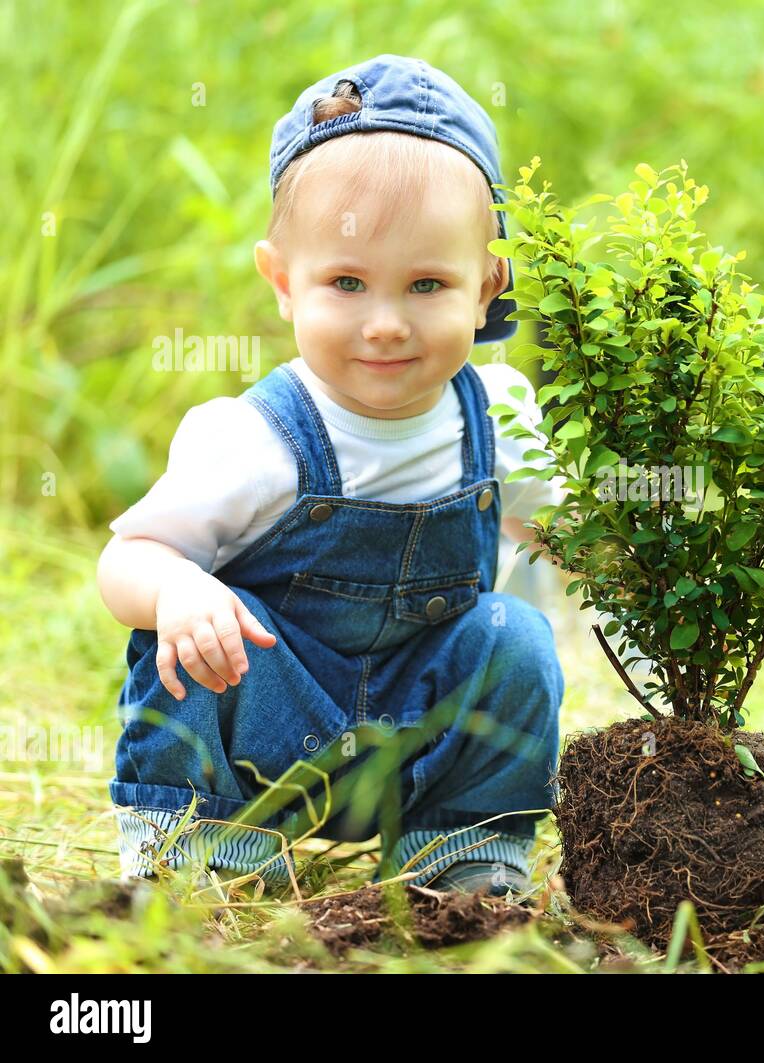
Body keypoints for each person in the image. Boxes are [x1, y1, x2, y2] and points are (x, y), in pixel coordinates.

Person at [96, 55, 565, 897]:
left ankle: (458, 852)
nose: (385, 324)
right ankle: (201, 853)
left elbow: (574, 542)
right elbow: (125, 560)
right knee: (201, 632)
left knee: (517, 637)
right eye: (346, 283)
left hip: (423, 740)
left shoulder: (497, 418)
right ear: (282, 282)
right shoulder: (252, 438)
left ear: (487, 285)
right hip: (266, 736)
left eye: (428, 284)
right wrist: (174, 591)